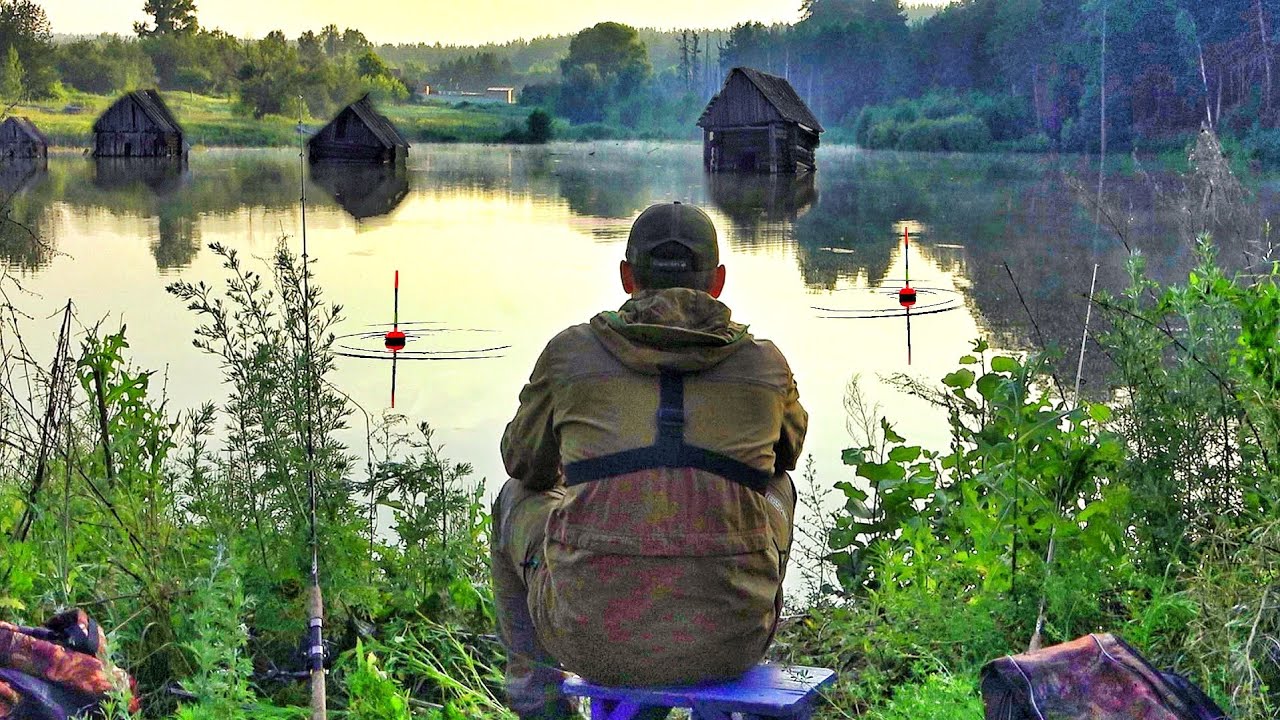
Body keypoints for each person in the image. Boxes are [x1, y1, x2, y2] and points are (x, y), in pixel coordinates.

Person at [491, 201, 807, 720]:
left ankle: (539, 702)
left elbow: (523, 465)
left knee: (514, 499)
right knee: (778, 485)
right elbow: (787, 452)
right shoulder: (764, 364)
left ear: (626, 276)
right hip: (730, 644)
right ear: (719, 281)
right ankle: (736, 616)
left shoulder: (570, 355)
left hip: (588, 639)